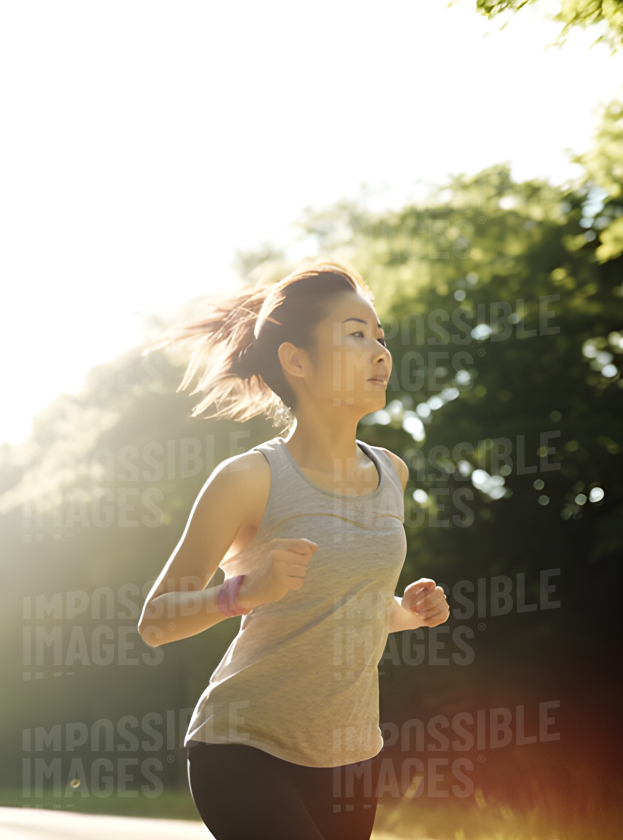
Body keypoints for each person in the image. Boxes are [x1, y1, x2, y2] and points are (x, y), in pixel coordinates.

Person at [137, 261, 450, 840]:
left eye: (380, 338)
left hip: (352, 757)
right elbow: (155, 623)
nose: (380, 353)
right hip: (244, 747)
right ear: (297, 361)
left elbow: (352, 604)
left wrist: (410, 612)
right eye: (356, 334)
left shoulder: (392, 474)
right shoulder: (249, 478)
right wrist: (242, 593)